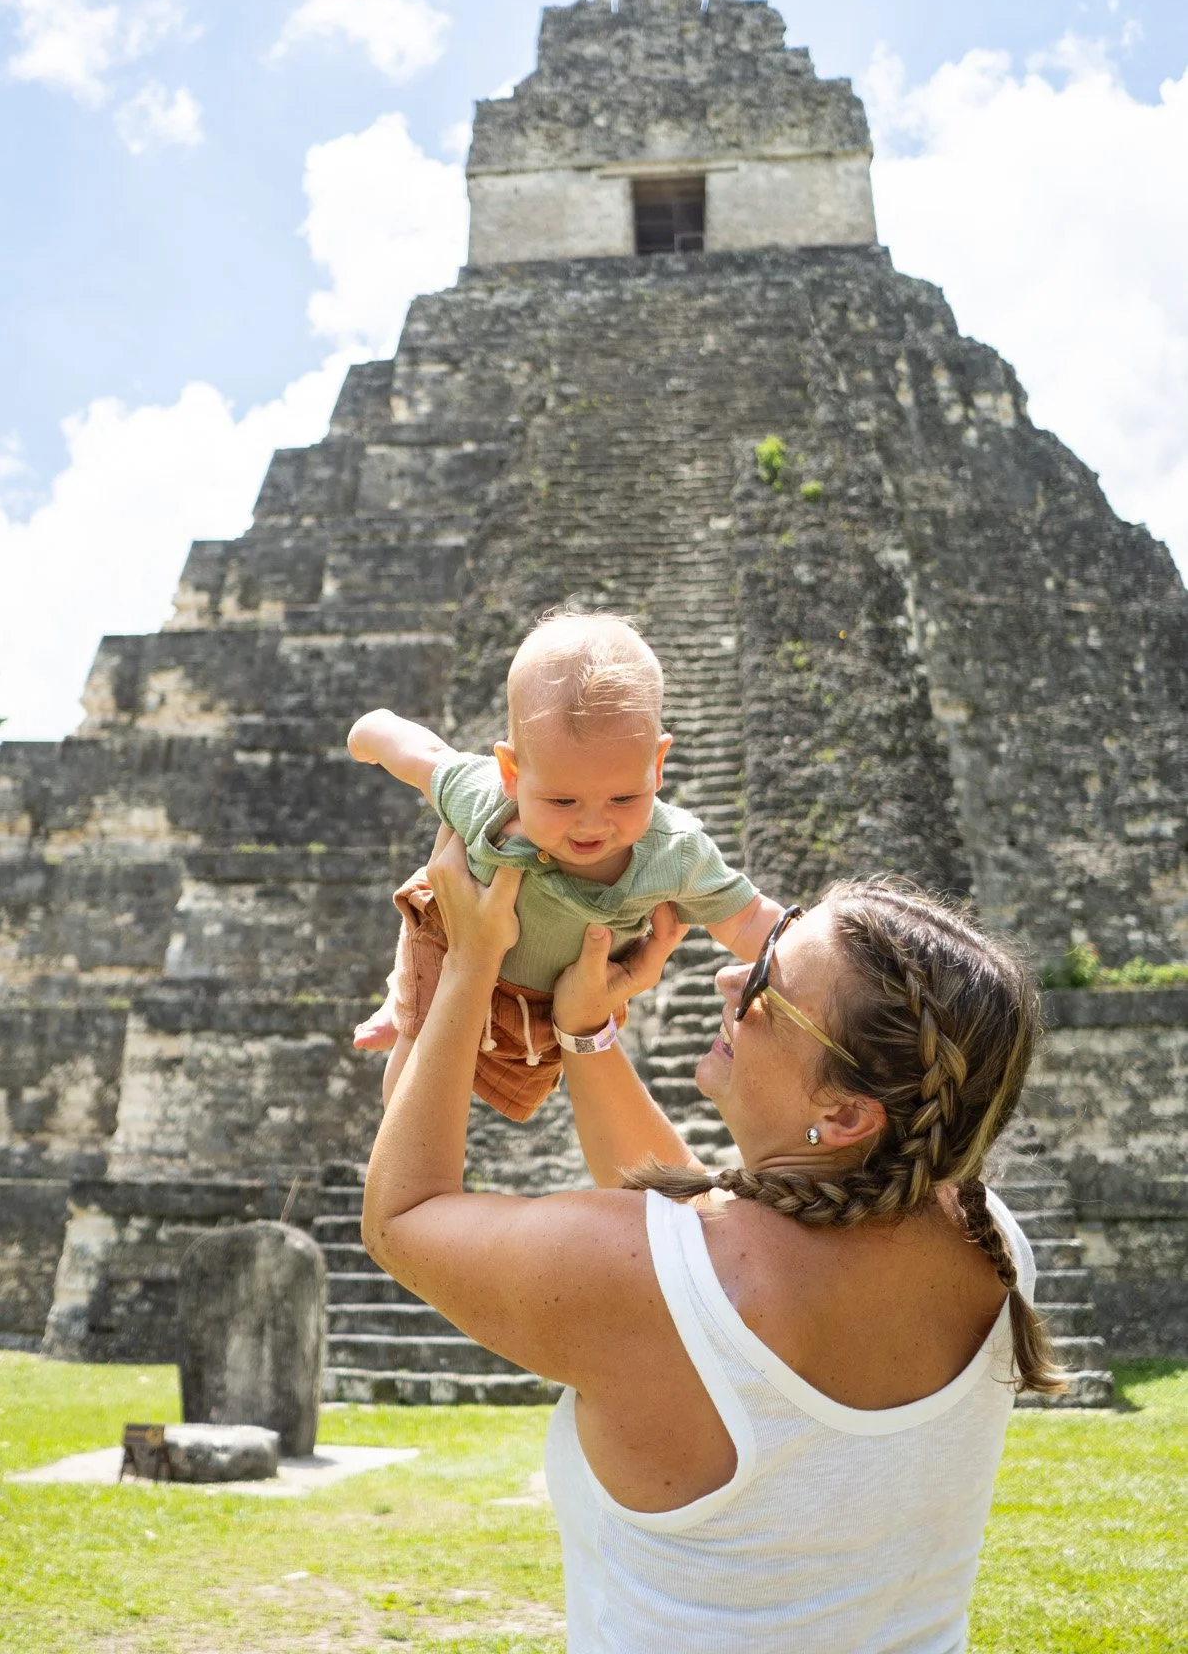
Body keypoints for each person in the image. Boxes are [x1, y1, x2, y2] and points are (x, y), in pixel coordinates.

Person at [361, 826, 1066, 1654]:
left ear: (843, 1114)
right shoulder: (988, 1244)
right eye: (766, 945)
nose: (732, 975)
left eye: (768, 984)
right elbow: (705, 1260)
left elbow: (403, 1218)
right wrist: (584, 1033)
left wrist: (469, 960)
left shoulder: (665, 1282)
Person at [346, 609, 782, 1118]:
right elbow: (424, 757)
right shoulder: (488, 798)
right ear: (512, 772)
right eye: (561, 802)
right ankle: (404, 1017)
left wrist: (821, 963)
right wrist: (373, 732)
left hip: (549, 1004)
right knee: (412, 1076)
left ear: (657, 765)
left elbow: (748, 918)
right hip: (448, 956)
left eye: (623, 798)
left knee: (526, 1079)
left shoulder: (675, 851)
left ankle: (402, 1007)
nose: (592, 826)